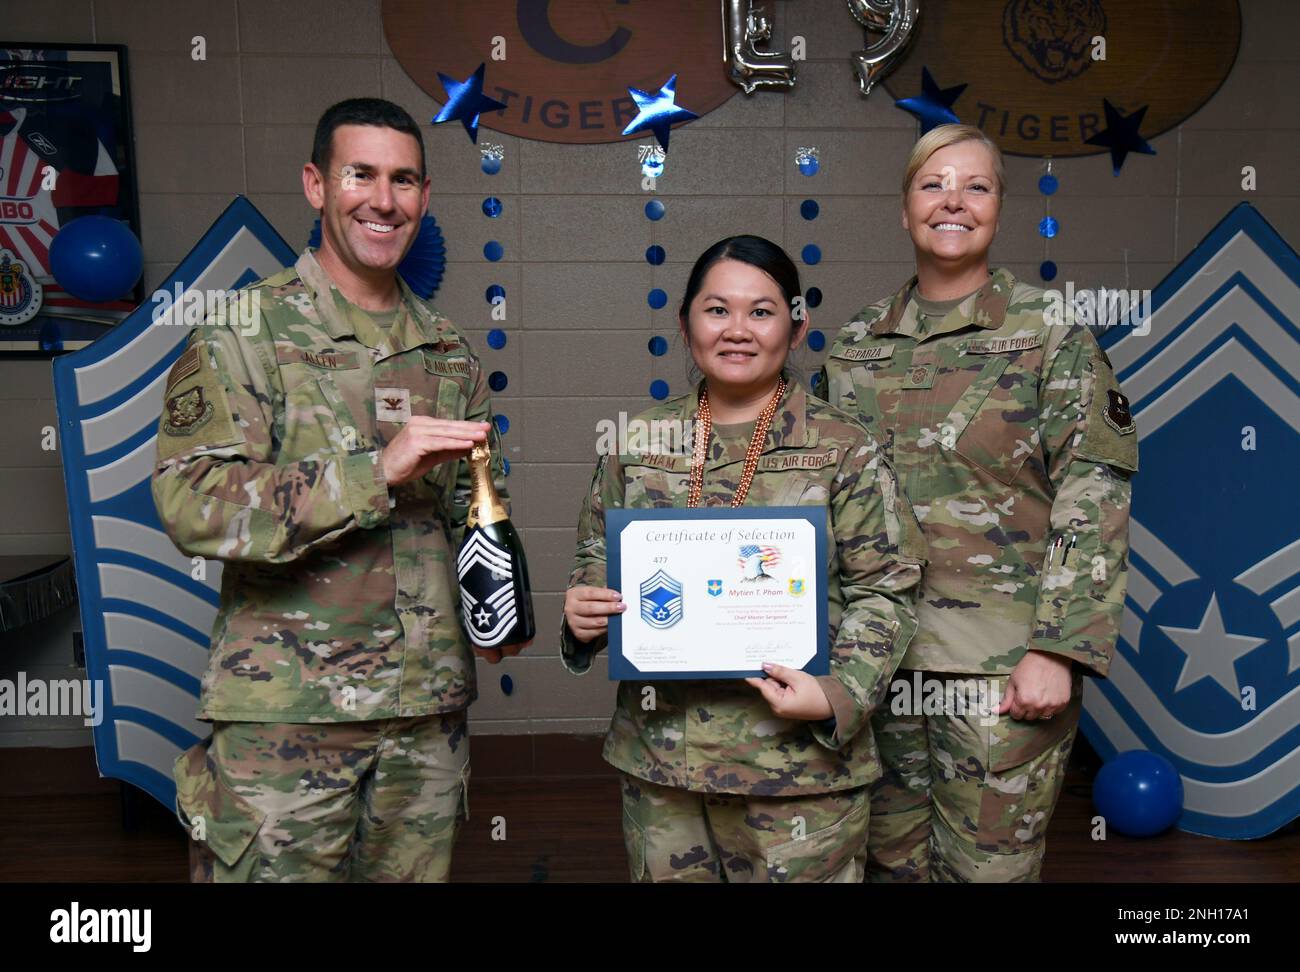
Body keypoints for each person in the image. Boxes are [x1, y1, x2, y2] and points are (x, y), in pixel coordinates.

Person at [151, 97, 523, 882]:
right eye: (362, 175)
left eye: (405, 180)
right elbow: (192, 501)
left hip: (425, 715)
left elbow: (472, 512)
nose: (384, 200)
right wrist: (375, 473)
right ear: (317, 185)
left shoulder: (449, 351)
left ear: (425, 196)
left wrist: (503, 605)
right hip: (288, 716)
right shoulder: (245, 330)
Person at [819, 124, 1137, 883]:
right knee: (890, 868)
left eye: (976, 186)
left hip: (1000, 670)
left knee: (986, 875)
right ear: (904, 209)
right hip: (879, 669)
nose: (952, 201)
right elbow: (822, 501)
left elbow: (1094, 491)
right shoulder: (857, 343)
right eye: (932, 185)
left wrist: (1058, 648)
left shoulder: (1049, 334)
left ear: (998, 207)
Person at [562, 235, 925, 882]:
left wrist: (837, 693)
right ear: (684, 323)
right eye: (716, 309)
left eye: (760, 311)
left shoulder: (844, 448)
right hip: (664, 768)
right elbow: (597, 557)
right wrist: (584, 613)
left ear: (796, 323)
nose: (737, 330)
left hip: (801, 775)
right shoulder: (638, 443)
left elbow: (888, 590)